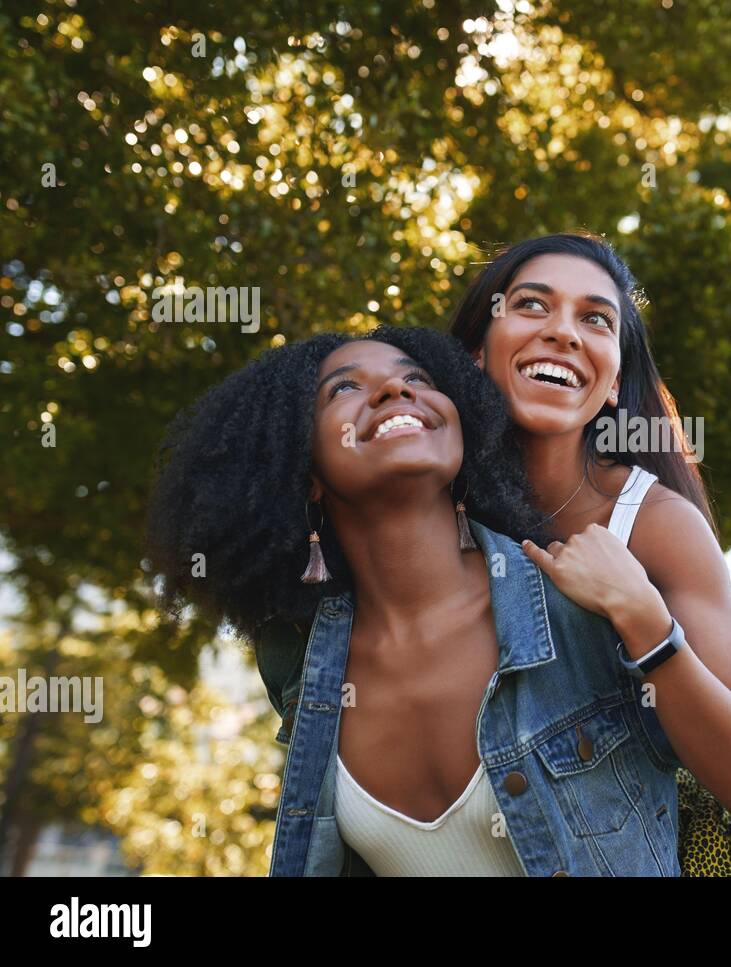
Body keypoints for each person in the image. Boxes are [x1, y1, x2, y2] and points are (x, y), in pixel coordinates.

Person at [145, 327, 691, 875]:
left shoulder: (578, 600)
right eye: (343, 389)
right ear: (306, 473)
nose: (393, 391)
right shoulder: (297, 656)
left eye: (417, 379)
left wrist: (650, 627)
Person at [449, 231, 731, 876]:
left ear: (613, 382)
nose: (565, 333)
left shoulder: (656, 524)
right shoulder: (434, 509)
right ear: (474, 352)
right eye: (532, 306)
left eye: (596, 319)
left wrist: (641, 615)